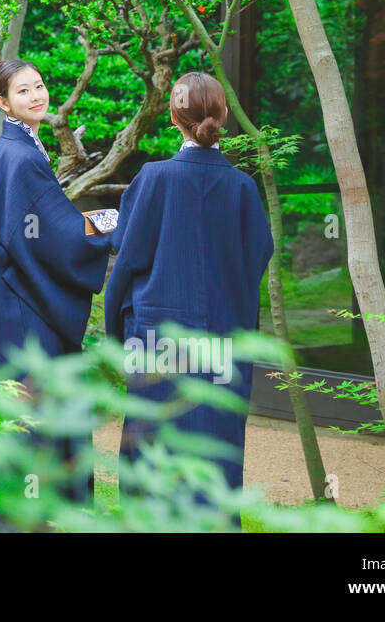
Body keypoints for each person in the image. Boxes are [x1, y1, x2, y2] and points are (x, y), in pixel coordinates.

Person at [103, 71, 273, 520]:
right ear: (220, 116)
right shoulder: (241, 187)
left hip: (156, 341)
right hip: (222, 338)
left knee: (152, 448)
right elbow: (257, 257)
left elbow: (128, 256)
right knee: (216, 448)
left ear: (175, 118)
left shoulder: (153, 178)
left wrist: (117, 325)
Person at [0, 59, 116, 503]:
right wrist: (105, 224)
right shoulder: (20, 152)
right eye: (23, 91)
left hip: (11, 288)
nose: (37, 96)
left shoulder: (18, 145)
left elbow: (38, 225)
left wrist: (83, 224)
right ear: (3, 103)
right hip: (23, 298)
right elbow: (51, 235)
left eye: (39, 86)